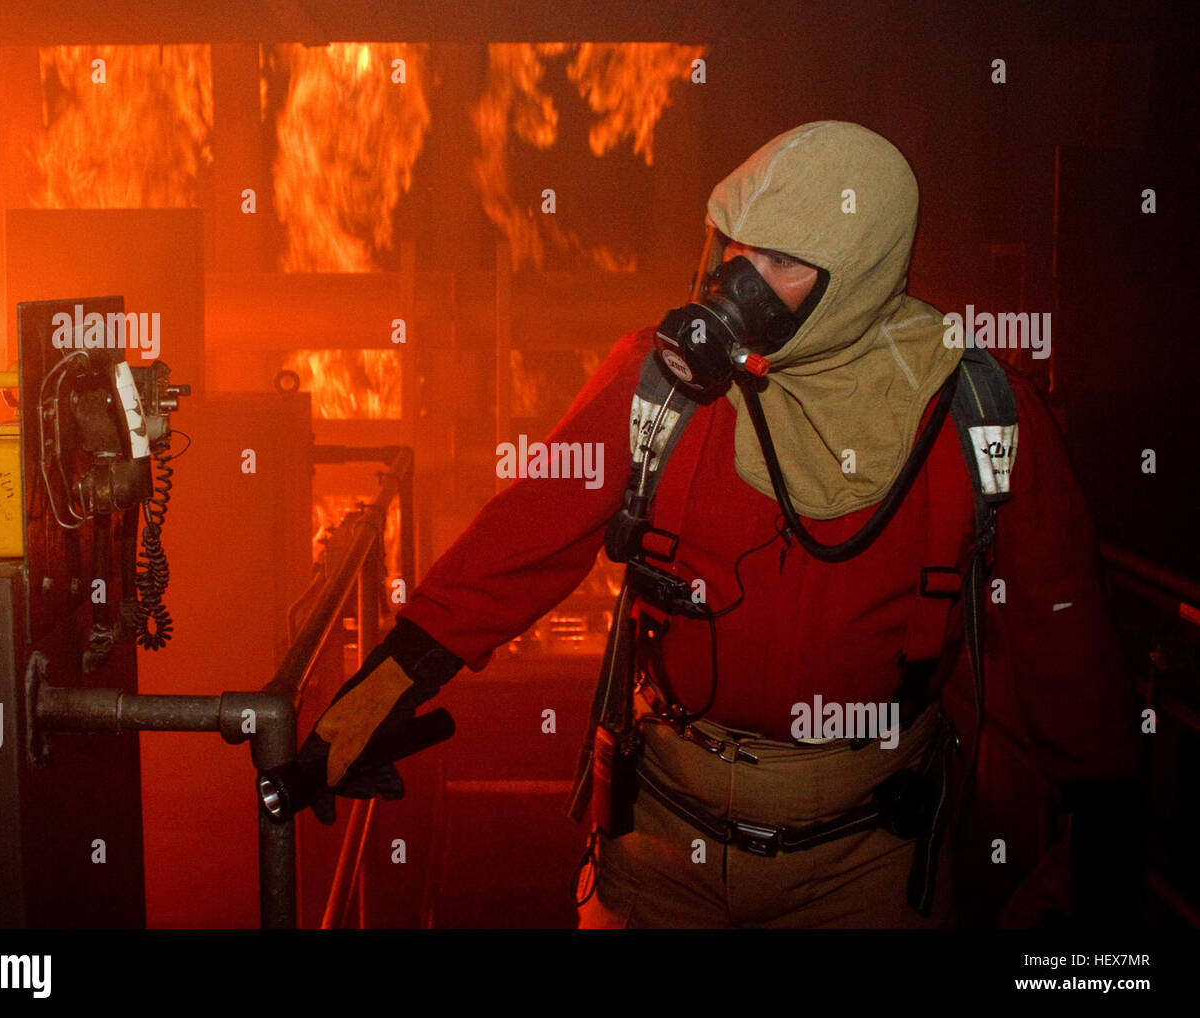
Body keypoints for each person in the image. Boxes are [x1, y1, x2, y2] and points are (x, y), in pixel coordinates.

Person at [302, 121, 1140, 928]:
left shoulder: (982, 415)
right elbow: (521, 539)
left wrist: (1103, 826)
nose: (737, 282)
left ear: (860, 270)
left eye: (778, 260)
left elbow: (1061, 621)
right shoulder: (657, 385)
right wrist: (384, 687)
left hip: (870, 863)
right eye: (733, 247)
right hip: (662, 847)